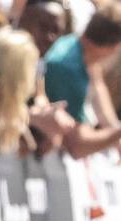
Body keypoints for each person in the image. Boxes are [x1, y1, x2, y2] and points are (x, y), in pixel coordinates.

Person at [44, 0, 121, 154]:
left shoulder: (82, 49)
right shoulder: (67, 68)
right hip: (51, 155)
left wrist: (116, 136)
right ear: (113, 47)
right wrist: (117, 134)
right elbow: (77, 146)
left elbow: (98, 88)